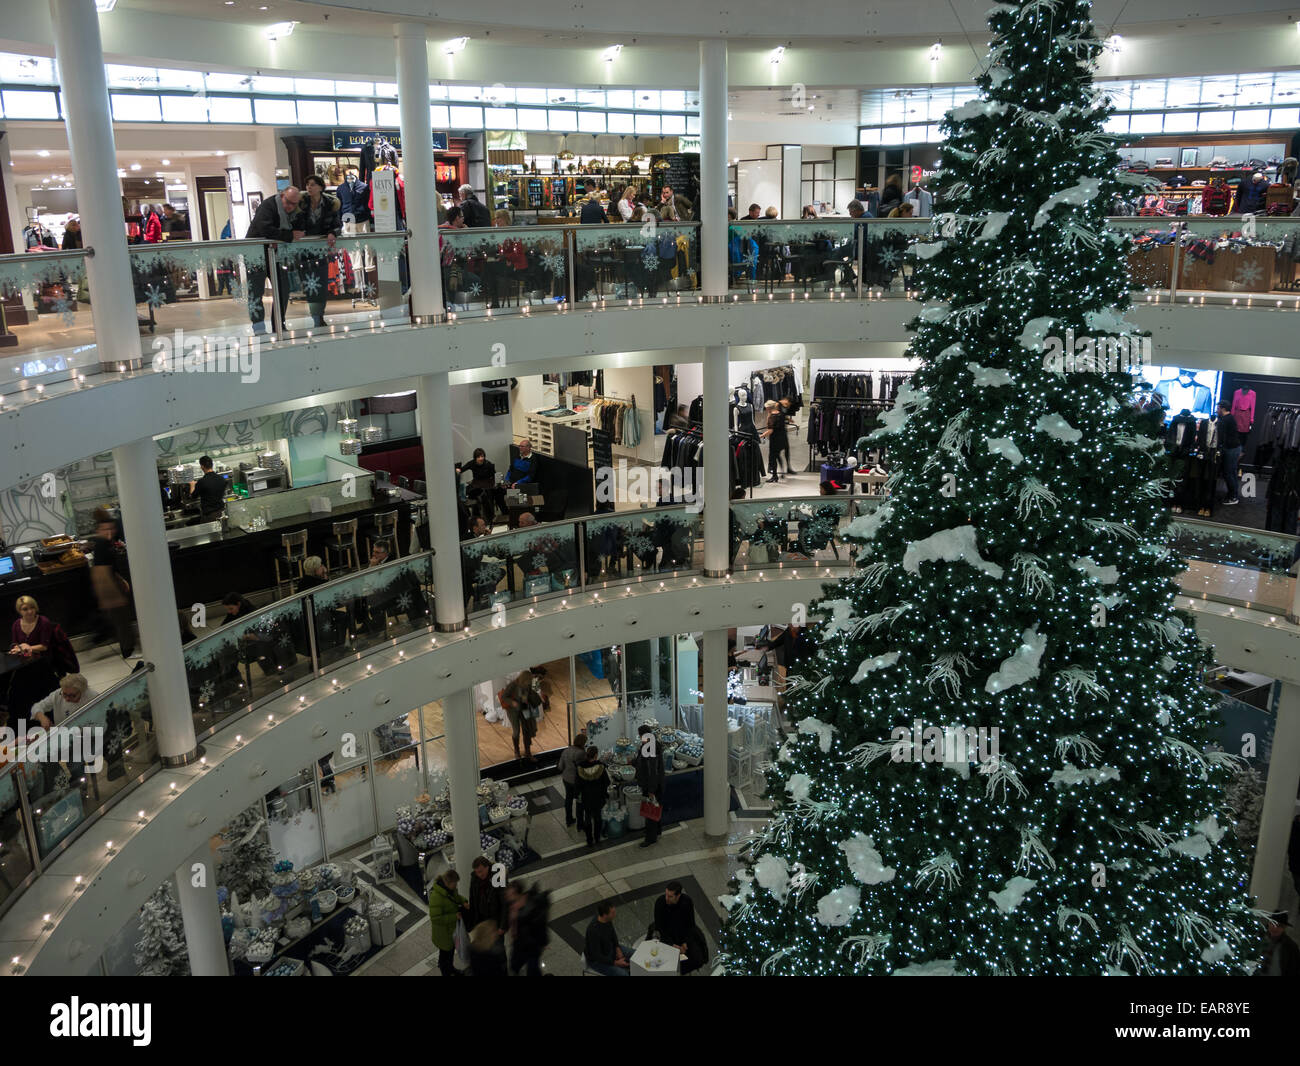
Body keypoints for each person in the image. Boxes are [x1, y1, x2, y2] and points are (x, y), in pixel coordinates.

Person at [7, 595, 78, 727]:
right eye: (25, 609)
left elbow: (44, 646)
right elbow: (15, 643)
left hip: (44, 661)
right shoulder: (16, 625)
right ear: (19, 611)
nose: (29, 611)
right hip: (25, 662)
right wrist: (17, 648)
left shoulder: (43, 622)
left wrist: (27, 648)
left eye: (31, 608)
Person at [245, 186, 304, 333]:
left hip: (276, 255)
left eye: (294, 204)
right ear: (282, 196)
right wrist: (288, 235)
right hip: (256, 254)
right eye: (288, 202)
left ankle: (278, 324)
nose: (290, 207)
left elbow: (300, 228)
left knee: (283, 289)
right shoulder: (268, 206)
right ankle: (258, 327)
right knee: (255, 291)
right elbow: (265, 229)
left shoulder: (295, 211)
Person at [89, 508, 137, 663]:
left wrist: (120, 580)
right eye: (105, 529)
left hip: (111, 586)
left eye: (111, 528)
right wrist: (113, 592)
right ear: (99, 530)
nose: (109, 531)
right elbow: (103, 571)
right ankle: (128, 651)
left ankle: (127, 647)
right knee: (122, 620)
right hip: (109, 588)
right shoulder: (102, 544)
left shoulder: (104, 543)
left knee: (120, 619)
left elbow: (111, 567)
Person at [300, 174, 341, 328]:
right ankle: (315, 317)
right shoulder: (302, 203)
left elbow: (337, 224)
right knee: (311, 284)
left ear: (321, 187)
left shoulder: (330, 203)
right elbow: (296, 222)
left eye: (312, 184)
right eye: (307, 185)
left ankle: (319, 315)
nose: (309, 187)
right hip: (304, 249)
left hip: (321, 249)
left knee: (321, 283)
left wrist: (332, 233)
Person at [650, 881, 709, 975]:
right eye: (666, 895)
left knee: (697, 957)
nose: (666, 899)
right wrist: (672, 945)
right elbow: (660, 927)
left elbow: (690, 924)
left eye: (670, 896)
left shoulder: (687, 901)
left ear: (678, 896)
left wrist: (685, 942)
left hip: (682, 932)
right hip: (666, 933)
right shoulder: (660, 902)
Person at [427, 869, 469, 976]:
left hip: (450, 930)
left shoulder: (450, 890)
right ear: (448, 883)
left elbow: (456, 897)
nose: (456, 886)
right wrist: (454, 917)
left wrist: (463, 901)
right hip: (443, 934)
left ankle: (451, 969)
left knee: (449, 954)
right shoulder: (436, 897)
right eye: (455, 884)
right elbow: (435, 918)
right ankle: (446, 972)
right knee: (445, 955)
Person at [504, 882, 549, 976]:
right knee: (514, 964)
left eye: (509, 895)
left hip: (532, 944)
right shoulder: (512, 904)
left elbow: (541, 927)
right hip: (519, 943)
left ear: (517, 894)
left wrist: (543, 943)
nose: (506, 897)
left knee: (533, 970)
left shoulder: (533, 908)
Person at [498, 670, 540, 762]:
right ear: (524, 679)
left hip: (524, 708)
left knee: (527, 730)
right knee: (516, 731)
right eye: (528, 680)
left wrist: (527, 698)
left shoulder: (527, 685)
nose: (529, 682)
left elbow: (528, 693)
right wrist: (512, 703)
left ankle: (528, 752)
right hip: (513, 711)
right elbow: (504, 697)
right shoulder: (513, 685)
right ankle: (516, 751)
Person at [31, 672, 97, 730]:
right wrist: (42, 718)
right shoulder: (57, 694)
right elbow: (36, 707)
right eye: (65, 694)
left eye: (72, 696)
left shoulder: (93, 697)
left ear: (82, 691)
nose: (67, 699)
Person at [634, 722, 664, 848]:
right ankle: (657, 830)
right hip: (655, 784)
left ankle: (650, 838)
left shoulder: (651, 749)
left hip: (652, 785)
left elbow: (652, 772)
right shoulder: (651, 744)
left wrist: (651, 789)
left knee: (650, 810)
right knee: (656, 806)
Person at [584, 900, 631, 975]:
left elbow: (613, 933)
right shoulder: (593, 931)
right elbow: (597, 956)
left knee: (635, 954)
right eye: (612, 913)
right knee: (623, 974)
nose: (615, 914)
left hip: (610, 948)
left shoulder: (607, 920)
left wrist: (617, 948)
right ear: (605, 915)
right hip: (598, 961)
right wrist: (616, 963)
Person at [576, 745, 609, 847]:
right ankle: (597, 837)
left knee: (588, 817)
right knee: (598, 817)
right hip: (598, 797)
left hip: (586, 797)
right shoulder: (601, 767)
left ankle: (589, 839)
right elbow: (607, 782)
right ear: (595, 755)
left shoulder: (580, 768)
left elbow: (577, 785)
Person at [458, 447, 497, 524]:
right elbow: (462, 469)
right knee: (472, 494)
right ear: (475, 458)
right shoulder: (472, 463)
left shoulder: (488, 464)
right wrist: (458, 470)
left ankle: (489, 517)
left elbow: (495, 476)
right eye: (478, 457)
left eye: (482, 456)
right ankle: (476, 516)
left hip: (487, 484)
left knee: (486, 495)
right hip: (476, 484)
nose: (481, 458)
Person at [557, 731, 588, 827]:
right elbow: (584, 769)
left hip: (566, 779)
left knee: (568, 799)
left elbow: (560, 767)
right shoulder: (582, 753)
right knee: (580, 801)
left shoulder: (566, 750)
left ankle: (569, 819)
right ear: (583, 743)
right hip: (576, 781)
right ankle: (580, 823)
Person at [467, 854, 506, 930]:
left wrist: (503, 926)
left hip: (495, 920)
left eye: (481, 871)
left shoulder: (498, 878)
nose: (479, 875)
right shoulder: (474, 879)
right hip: (481, 919)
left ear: (487, 867)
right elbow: (472, 898)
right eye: (477, 872)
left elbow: (504, 902)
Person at [1216, 401, 1243, 506]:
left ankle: (1233, 497)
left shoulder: (1224, 420)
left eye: (1218, 408)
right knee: (1231, 473)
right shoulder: (1230, 418)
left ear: (1222, 409)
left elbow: (1221, 437)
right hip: (1234, 448)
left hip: (1231, 449)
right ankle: (1233, 495)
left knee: (1229, 473)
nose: (1217, 410)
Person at [761, 399, 790, 483]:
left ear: (769, 408)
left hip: (775, 440)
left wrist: (761, 435)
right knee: (777, 456)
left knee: (773, 458)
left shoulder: (771, 417)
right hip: (782, 438)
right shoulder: (781, 414)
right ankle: (778, 473)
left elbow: (770, 431)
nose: (765, 409)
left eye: (766, 408)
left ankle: (774, 476)